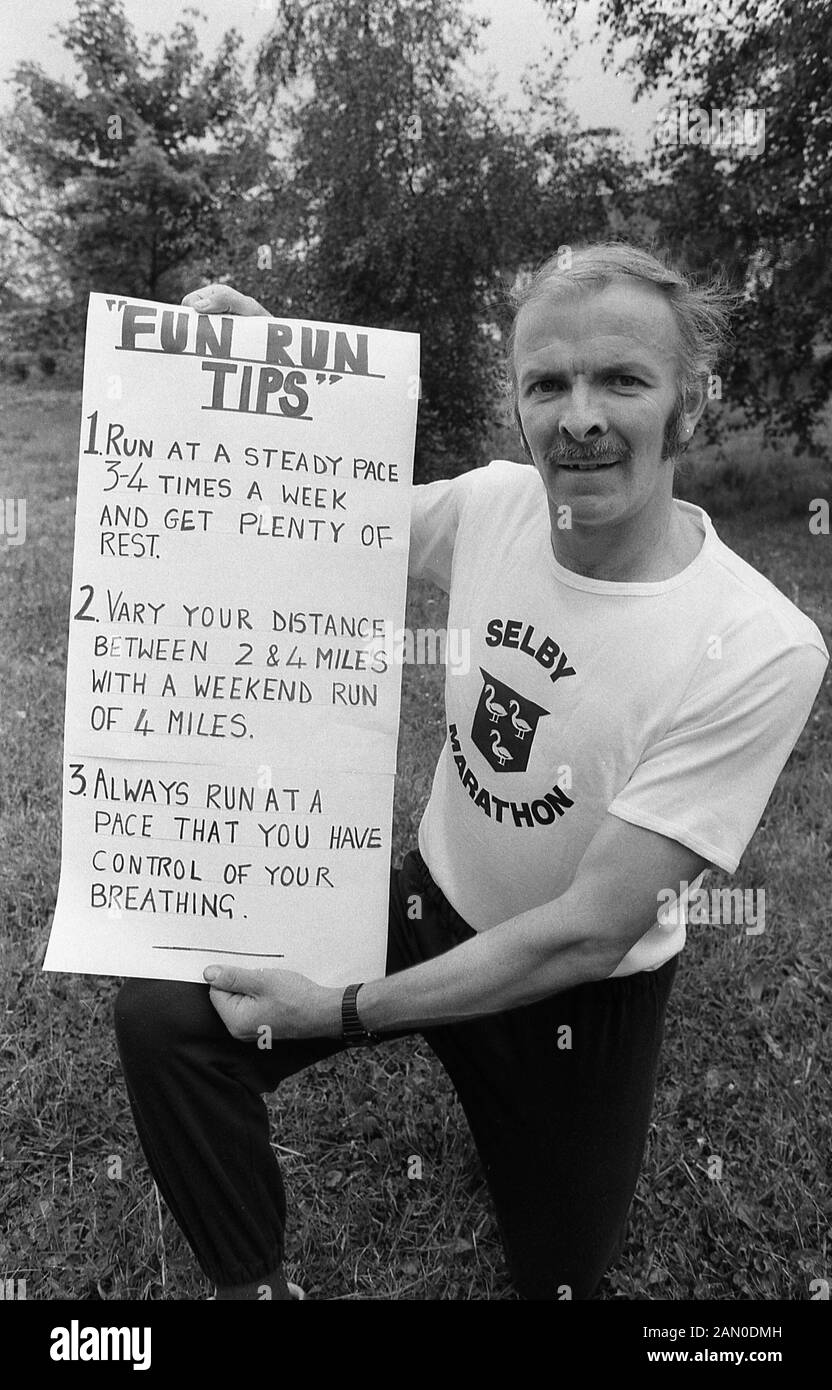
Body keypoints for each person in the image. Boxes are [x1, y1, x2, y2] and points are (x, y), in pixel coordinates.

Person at [114, 243, 828, 1301]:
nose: (578, 415)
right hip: (424, 899)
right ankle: (248, 1286)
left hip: (577, 999)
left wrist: (344, 1007)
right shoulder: (495, 506)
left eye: (621, 379)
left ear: (688, 404)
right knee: (166, 1017)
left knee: (559, 1280)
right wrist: (276, 375)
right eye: (547, 382)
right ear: (519, 403)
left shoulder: (758, 642)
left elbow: (593, 929)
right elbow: (318, 509)